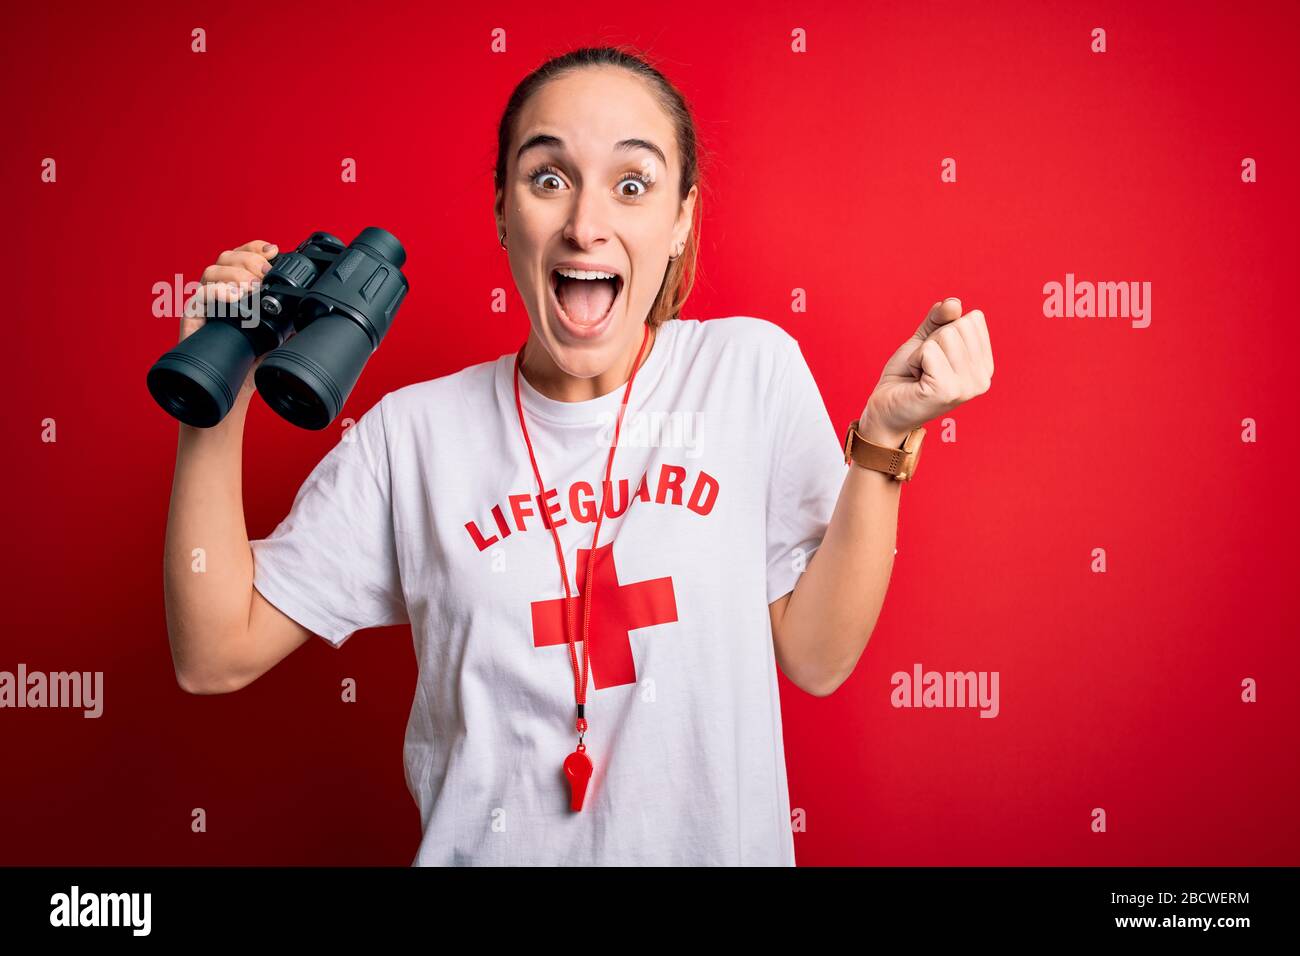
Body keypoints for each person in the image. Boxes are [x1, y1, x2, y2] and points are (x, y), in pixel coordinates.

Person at [163, 45, 993, 866]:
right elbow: (213, 654)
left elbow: (816, 657)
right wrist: (216, 394)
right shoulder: (411, 436)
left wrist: (881, 441)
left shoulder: (747, 373)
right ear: (501, 211)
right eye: (549, 178)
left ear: (680, 220)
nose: (586, 223)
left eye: (632, 186)